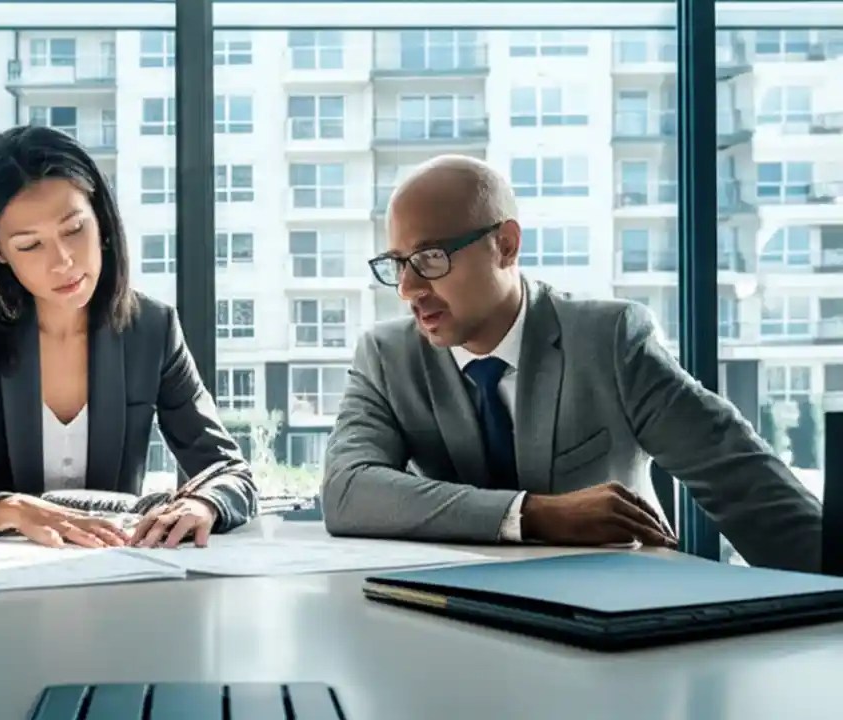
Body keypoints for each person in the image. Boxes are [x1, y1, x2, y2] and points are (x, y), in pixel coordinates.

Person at [321, 154, 823, 573]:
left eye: (430, 258)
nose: (408, 289)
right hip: (448, 626)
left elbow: (742, 481)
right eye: (398, 264)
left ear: (506, 245)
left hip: (615, 625)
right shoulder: (387, 357)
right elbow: (347, 491)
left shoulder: (608, 340)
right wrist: (531, 514)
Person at [0, 125, 257, 549]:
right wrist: (9, 508)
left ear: (101, 219)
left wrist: (204, 504)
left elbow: (229, 473)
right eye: (29, 246)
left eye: (74, 229)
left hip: (116, 570)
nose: (62, 262)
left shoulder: (152, 328)